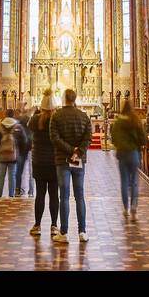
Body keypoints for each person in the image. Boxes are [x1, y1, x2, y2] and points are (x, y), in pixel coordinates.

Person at [48, 88, 93, 244]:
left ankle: (64, 232)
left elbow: (54, 138)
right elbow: (88, 137)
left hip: (62, 160)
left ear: (64, 98)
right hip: (79, 161)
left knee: (64, 197)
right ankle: (82, 232)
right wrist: (78, 152)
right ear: (75, 99)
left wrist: (70, 150)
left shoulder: (56, 116)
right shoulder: (84, 117)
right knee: (80, 196)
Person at [109, 97, 146, 221]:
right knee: (134, 181)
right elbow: (142, 138)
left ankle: (126, 209)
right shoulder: (136, 120)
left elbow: (113, 138)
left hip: (122, 154)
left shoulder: (118, 122)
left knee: (124, 182)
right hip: (134, 153)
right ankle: (134, 207)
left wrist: (120, 144)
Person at [28, 91, 59, 237]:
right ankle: (54, 225)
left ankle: (37, 225)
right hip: (54, 162)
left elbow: (29, 129)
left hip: (39, 160)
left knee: (40, 194)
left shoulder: (35, 119)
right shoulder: (57, 120)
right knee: (54, 195)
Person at [0, 109, 27, 198]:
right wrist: (19, 152)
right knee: (12, 175)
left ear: (5, 115)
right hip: (13, 155)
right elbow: (24, 141)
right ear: (13, 115)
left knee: (1, 175)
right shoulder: (18, 126)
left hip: (2, 155)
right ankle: (11, 195)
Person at [15, 108, 33, 198]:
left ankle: (17, 189)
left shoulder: (18, 127)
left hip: (20, 151)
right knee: (31, 172)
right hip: (29, 150)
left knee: (19, 171)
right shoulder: (30, 128)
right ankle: (31, 191)